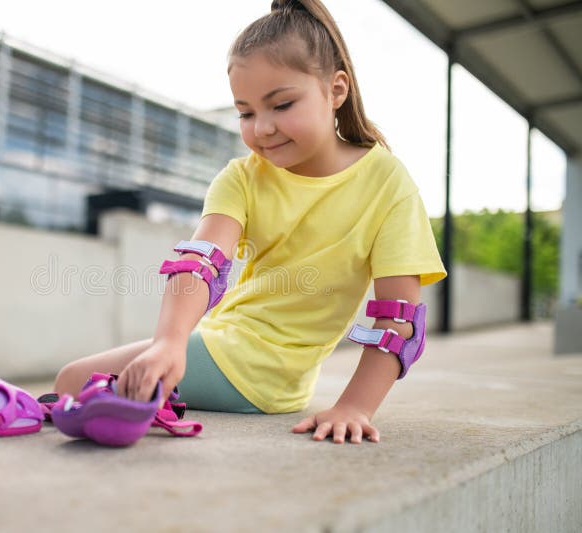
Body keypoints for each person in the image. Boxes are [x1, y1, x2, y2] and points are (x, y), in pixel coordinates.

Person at [53, 0, 446, 444]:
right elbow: (201, 261)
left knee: (72, 382)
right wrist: (170, 340)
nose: (262, 128)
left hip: (254, 370)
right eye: (245, 112)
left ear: (336, 91)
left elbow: (399, 319)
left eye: (281, 104)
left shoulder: (387, 182)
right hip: (225, 343)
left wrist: (354, 406)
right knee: (91, 380)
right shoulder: (241, 177)